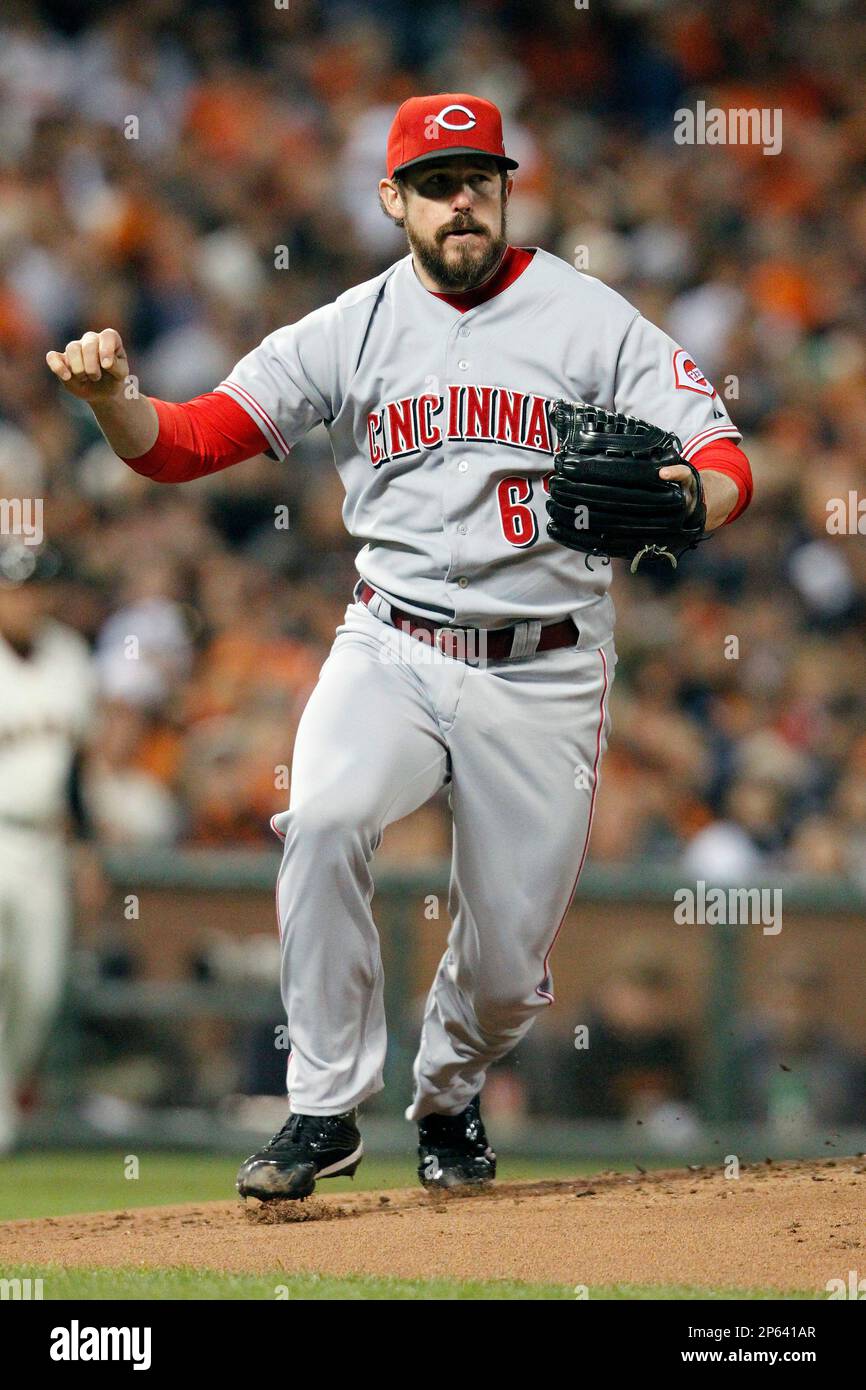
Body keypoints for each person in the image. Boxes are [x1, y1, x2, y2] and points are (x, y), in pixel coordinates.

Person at [47, 93, 752, 1197]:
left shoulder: (589, 317)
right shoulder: (350, 326)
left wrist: (689, 507)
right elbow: (184, 446)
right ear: (392, 200)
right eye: (435, 182)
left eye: (479, 177)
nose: (460, 199)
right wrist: (113, 402)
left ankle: (446, 1092)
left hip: (546, 664)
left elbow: (721, 455)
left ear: (508, 189)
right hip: (394, 644)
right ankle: (322, 1106)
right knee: (321, 816)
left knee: (512, 974)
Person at [0, 545, 97, 1150]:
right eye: (15, 589)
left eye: (37, 589)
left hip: (45, 843)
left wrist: (86, 847)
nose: (27, 600)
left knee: (40, 987)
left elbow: (77, 767)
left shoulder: (70, 656)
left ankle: (9, 1091)